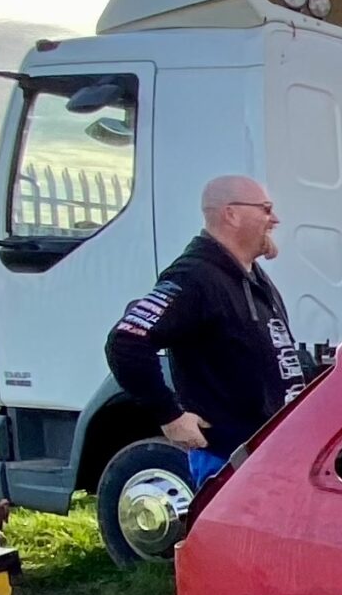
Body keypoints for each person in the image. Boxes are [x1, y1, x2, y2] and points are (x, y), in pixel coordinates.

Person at [105, 175, 305, 483]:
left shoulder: (253, 278)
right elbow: (127, 341)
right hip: (229, 462)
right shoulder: (194, 276)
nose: (274, 219)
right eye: (266, 209)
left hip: (272, 455)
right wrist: (170, 416)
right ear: (231, 214)